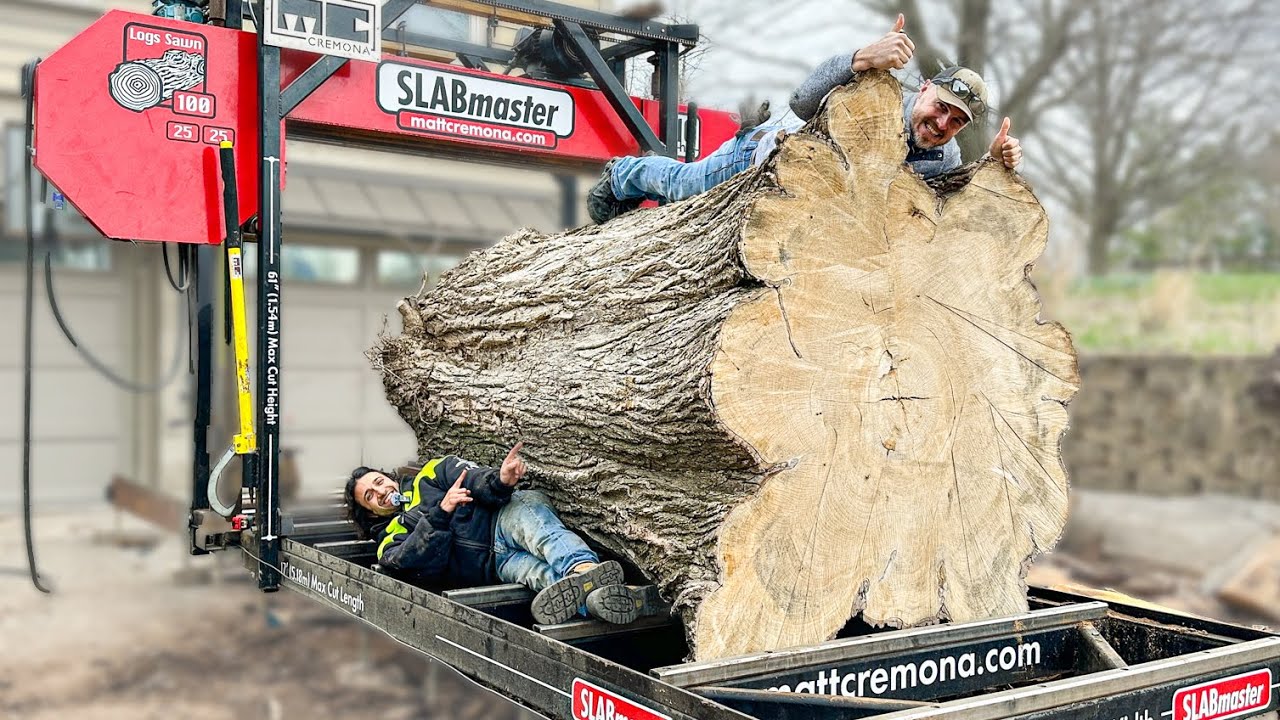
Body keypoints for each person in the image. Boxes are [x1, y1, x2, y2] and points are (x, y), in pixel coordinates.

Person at [586, 13, 1023, 224]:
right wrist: (861, 58)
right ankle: (623, 175)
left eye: (956, 121)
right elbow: (802, 103)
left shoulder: (944, 158)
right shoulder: (876, 96)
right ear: (925, 88)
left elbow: (947, 201)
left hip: (806, 207)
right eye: (941, 107)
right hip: (761, 157)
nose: (942, 124)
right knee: (685, 185)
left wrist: (993, 167)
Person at [344, 443, 653, 625]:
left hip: (502, 518)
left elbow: (472, 476)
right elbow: (416, 559)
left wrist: (500, 479)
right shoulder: (389, 542)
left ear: (386, 476)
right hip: (496, 566)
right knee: (547, 581)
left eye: (378, 482)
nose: (380, 492)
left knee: (545, 535)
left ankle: (584, 569)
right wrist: (441, 512)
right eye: (370, 496)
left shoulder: (430, 474)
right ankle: (623, 599)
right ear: (369, 512)